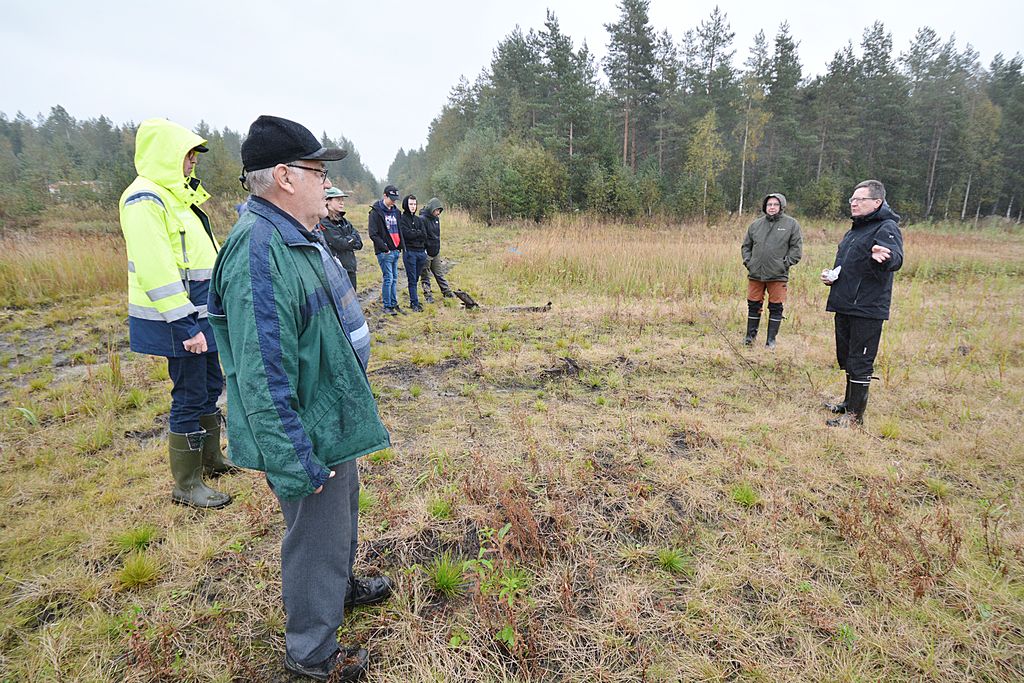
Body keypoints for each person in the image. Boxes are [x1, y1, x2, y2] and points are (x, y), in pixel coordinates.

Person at [208, 115, 394, 681]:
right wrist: (295, 461)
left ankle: (334, 588)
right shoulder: (259, 254)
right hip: (306, 427)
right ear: (286, 177)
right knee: (315, 532)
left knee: (338, 520)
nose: (327, 184)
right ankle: (312, 654)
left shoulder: (293, 233)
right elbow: (263, 378)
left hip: (330, 412)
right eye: (319, 171)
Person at [118, 118, 233, 510]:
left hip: (202, 316)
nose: (193, 164)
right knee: (189, 393)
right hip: (179, 321)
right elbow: (157, 269)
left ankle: (211, 459)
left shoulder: (179, 197)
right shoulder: (144, 199)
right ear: (167, 154)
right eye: (188, 155)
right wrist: (185, 325)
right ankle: (187, 483)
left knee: (210, 385)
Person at [821, 179, 904, 428]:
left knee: (860, 360)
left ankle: (855, 417)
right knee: (847, 356)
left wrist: (886, 257)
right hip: (845, 302)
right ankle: (848, 404)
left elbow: (895, 258)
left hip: (867, 307)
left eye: (860, 200)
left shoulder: (886, 227)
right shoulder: (855, 230)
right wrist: (833, 275)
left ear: (877, 202)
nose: (854, 203)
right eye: (852, 200)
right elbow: (850, 265)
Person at [741, 193, 802, 348]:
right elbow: (746, 246)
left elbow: (796, 249)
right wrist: (749, 262)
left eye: (775, 204)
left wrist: (784, 264)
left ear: (781, 206)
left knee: (776, 307)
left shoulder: (791, 224)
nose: (772, 207)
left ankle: (771, 341)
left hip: (778, 275)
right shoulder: (755, 225)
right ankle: (750, 338)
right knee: (753, 305)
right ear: (765, 207)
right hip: (756, 274)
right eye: (769, 205)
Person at [317, 187, 363, 289]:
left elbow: (359, 243)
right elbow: (340, 243)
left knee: (353, 299)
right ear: (327, 201)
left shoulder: (344, 221)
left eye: (342, 200)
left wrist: (349, 240)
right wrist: (352, 239)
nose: (342, 203)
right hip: (337, 269)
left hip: (350, 267)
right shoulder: (325, 222)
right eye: (338, 200)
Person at [368, 185, 403, 315]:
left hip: (395, 251)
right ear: (384, 196)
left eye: (395, 199)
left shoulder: (397, 212)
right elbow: (373, 233)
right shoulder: (375, 212)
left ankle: (394, 304)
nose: (394, 201)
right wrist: (385, 248)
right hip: (384, 252)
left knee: (394, 278)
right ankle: (387, 306)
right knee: (388, 278)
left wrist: (400, 247)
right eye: (391, 198)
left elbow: (400, 230)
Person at [419, 197, 454, 302]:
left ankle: (446, 291)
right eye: (436, 210)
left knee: (439, 273)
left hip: (436, 251)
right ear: (431, 208)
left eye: (439, 210)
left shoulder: (436, 219)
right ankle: (428, 294)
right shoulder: (422, 219)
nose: (438, 212)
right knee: (425, 275)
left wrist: (437, 248)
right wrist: (424, 250)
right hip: (426, 252)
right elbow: (422, 236)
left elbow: (436, 236)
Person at [399, 194, 428, 312]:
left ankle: (415, 300)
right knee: (412, 279)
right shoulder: (402, 219)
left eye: (415, 204)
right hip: (410, 252)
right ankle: (414, 303)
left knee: (416, 278)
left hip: (421, 252)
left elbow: (424, 235)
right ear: (406, 204)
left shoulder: (418, 219)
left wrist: (415, 233)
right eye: (411, 204)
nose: (413, 206)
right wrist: (417, 233)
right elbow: (406, 234)